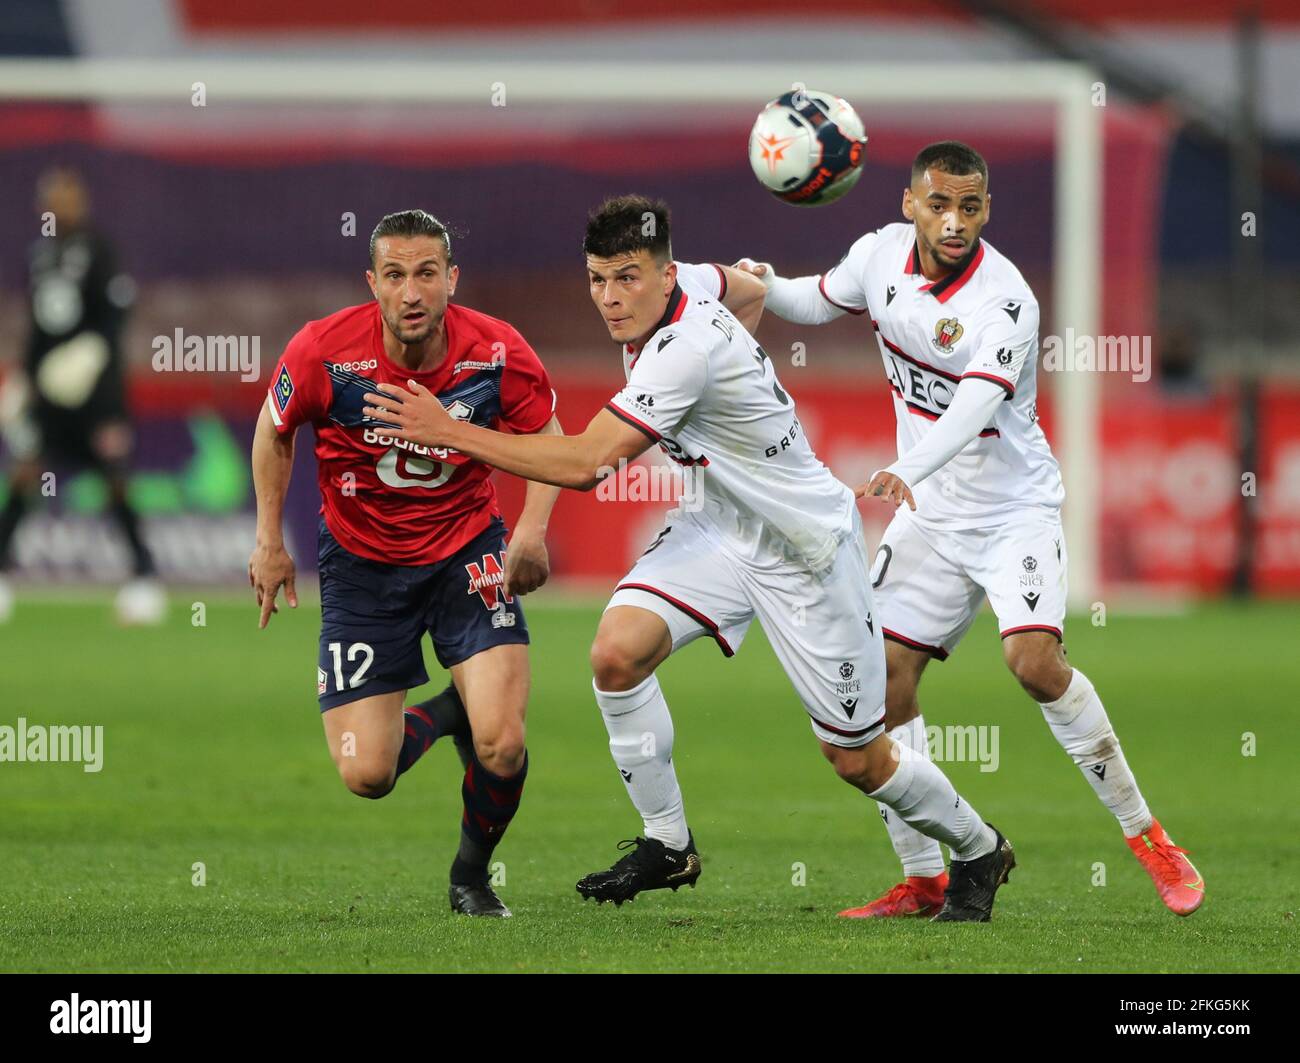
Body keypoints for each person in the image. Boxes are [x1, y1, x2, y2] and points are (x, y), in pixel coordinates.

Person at [362, 195, 1017, 922]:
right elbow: (751, 286)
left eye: (628, 278)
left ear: (663, 273)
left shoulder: (684, 352)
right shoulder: (693, 287)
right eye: (598, 278)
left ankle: (979, 848)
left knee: (857, 757)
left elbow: (586, 462)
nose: (611, 298)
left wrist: (449, 431)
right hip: (718, 527)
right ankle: (669, 841)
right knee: (615, 653)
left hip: (803, 550)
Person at [735, 141, 1204, 918]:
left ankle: (1147, 834)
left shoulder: (1006, 299)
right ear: (909, 204)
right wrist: (763, 284)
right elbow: (816, 298)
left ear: (986, 209)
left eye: (972, 205)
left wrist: (908, 469)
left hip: (1012, 510)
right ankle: (925, 880)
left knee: (1033, 662)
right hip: (933, 517)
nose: (955, 221)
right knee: (879, 685)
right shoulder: (879, 256)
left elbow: (975, 405)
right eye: (940, 203)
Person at [249, 209, 561, 917]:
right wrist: (270, 538)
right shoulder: (323, 351)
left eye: (426, 273)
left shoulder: (496, 350)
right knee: (367, 773)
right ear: (373, 283)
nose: (411, 291)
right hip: (361, 568)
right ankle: (452, 709)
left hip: (467, 554)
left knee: (503, 743)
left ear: (452, 278)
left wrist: (532, 531)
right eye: (395, 275)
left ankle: (471, 877)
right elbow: (274, 429)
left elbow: (547, 433)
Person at [0, 167, 162, 624]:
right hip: (48, 394)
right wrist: (23, 379)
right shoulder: (40, 255)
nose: (59, 206)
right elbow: (36, 329)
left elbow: (116, 315)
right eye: (52, 198)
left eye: (67, 197)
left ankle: (144, 579)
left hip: (96, 395)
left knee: (114, 480)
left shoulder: (100, 250)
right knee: (24, 473)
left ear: (81, 201)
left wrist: (90, 354)